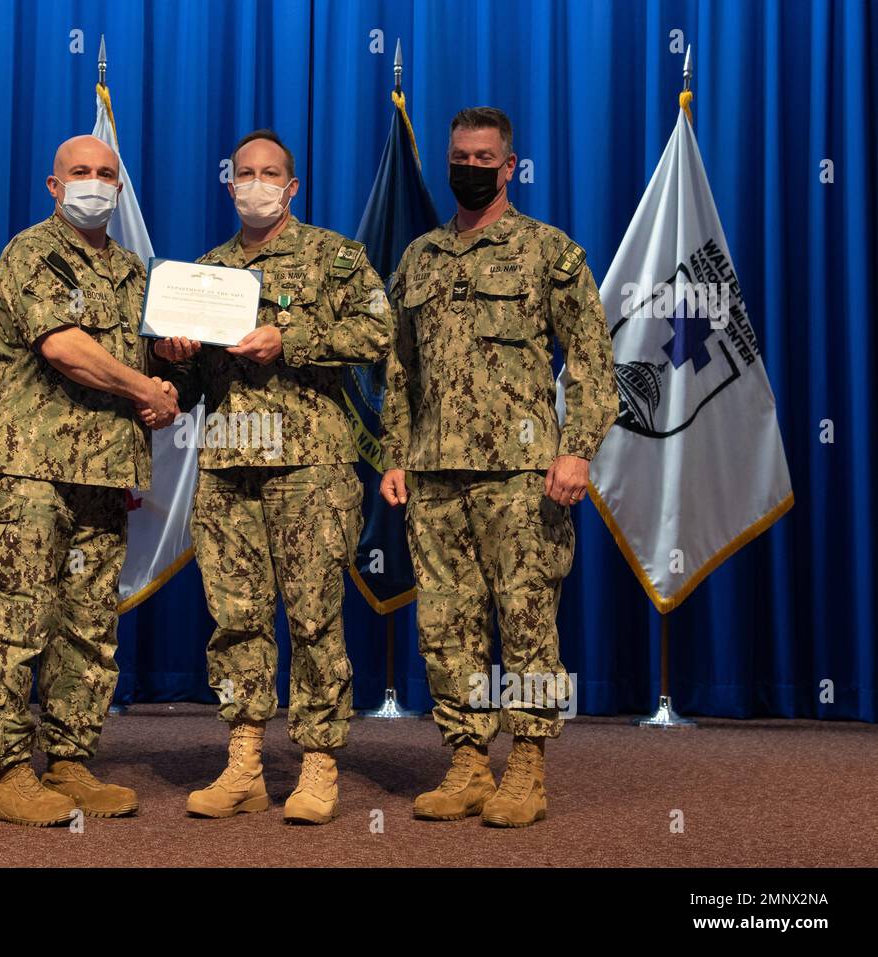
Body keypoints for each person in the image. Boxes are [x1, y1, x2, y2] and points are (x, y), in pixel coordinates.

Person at [380, 107, 616, 827]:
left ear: (509, 166)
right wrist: (394, 455)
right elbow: (399, 369)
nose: (471, 168)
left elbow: (595, 360)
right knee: (447, 624)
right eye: (460, 156)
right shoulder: (419, 258)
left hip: (522, 474)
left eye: (485, 158)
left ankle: (528, 767)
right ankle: (466, 760)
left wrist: (576, 448)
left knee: (526, 616)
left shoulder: (549, 252)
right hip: (434, 473)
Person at [156, 129, 391, 825]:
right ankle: (245, 761)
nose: (257, 184)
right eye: (246, 174)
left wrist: (292, 339)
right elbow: (190, 387)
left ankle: (319, 763)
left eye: (272, 174)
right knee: (235, 621)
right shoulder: (203, 273)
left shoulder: (336, 258)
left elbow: (379, 333)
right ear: (230, 185)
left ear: (293, 188)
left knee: (315, 617)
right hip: (227, 467)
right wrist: (174, 356)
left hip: (311, 467)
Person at [0, 135, 178, 826]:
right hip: (30, 468)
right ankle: (3, 771)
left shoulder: (135, 273)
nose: (93, 183)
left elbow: (144, 363)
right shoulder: (32, 252)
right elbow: (65, 348)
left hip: (103, 473)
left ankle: (69, 758)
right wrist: (144, 382)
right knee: (13, 618)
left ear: (120, 188)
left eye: (105, 174)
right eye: (79, 173)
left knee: (86, 626)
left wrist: (168, 367)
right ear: (54, 187)